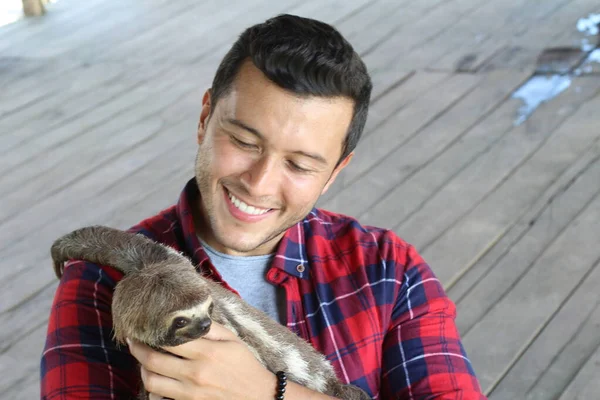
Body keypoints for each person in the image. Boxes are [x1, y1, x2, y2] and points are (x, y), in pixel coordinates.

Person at [40, 13, 487, 400]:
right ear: (204, 118)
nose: (259, 183)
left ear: (334, 171)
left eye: (299, 164)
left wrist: (267, 392)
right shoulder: (99, 284)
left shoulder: (387, 269)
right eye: (243, 141)